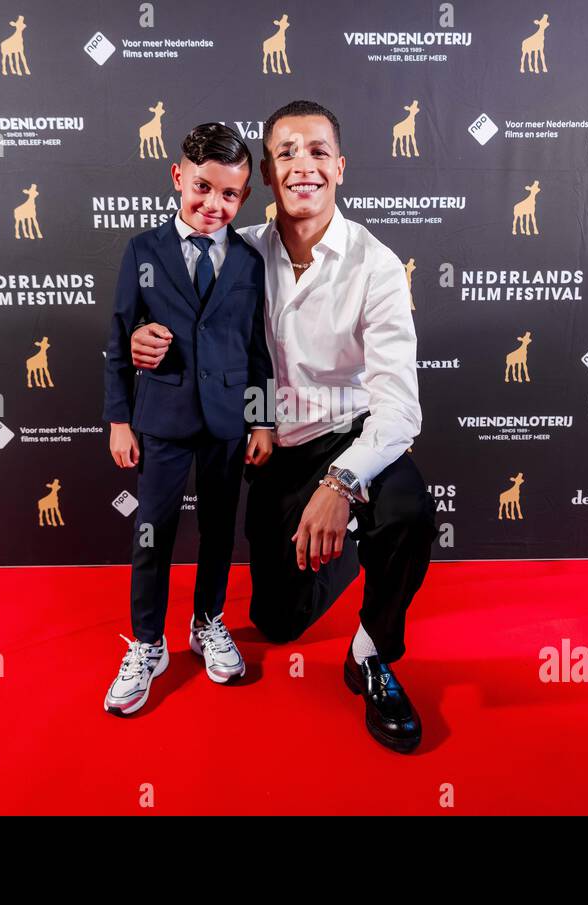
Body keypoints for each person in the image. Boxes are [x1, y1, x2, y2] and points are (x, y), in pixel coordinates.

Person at [130, 101, 437, 753]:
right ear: (268, 173)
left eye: (319, 151)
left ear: (340, 168)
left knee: (408, 509)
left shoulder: (376, 264)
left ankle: (374, 653)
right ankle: (345, 543)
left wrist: (343, 481)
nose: (305, 164)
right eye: (288, 152)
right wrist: (145, 338)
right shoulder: (237, 259)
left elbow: (400, 407)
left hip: (351, 438)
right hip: (274, 451)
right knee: (278, 621)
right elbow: (202, 339)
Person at [101, 123, 274, 715]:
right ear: (178, 177)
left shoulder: (249, 262)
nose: (213, 204)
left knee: (221, 531)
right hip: (163, 420)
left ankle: (208, 621)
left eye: (229, 195)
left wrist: (262, 421)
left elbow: (258, 350)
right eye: (202, 187)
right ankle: (148, 643)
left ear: (244, 197)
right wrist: (119, 419)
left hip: (228, 425)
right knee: (153, 534)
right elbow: (120, 338)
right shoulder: (142, 251)